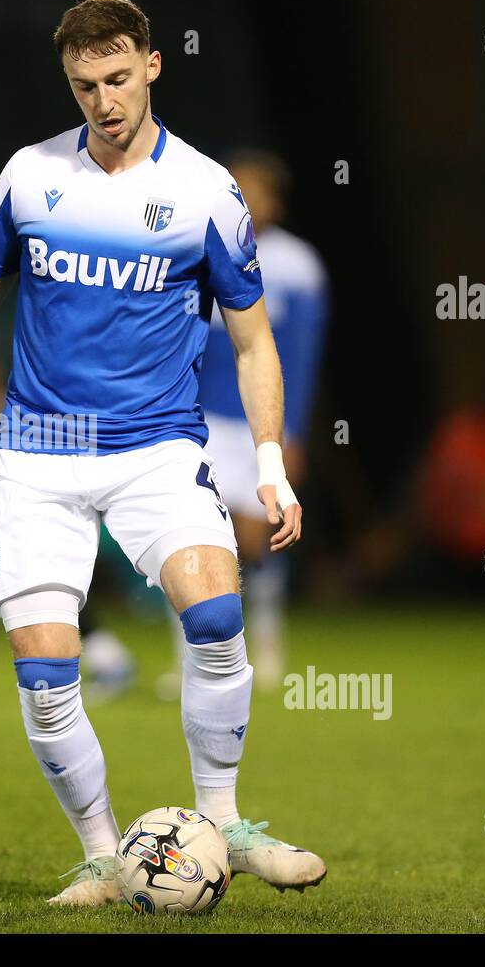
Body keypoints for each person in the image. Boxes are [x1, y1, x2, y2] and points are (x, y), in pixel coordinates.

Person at [0, 0, 326, 905]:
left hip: (157, 448)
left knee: (217, 620)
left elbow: (254, 339)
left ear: (152, 65)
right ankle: (107, 858)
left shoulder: (204, 191)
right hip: (36, 456)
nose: (104, 101)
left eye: (118, 78)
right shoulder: (31, 177)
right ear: (67, 83)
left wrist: (269, 462)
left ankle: (224, 823)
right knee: (44, 675)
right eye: (85, 86)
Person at [161, 151, 329, 696]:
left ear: (276, 201)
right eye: (237, 187)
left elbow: (301, 355)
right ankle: (188, 655)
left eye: (256, 189)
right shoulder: (196, 246)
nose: (245, 199)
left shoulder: (298, 265)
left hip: (254, 420)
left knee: (257, 538)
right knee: (189, 536)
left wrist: (290, 432)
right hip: (196, 417)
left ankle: (268, 637)